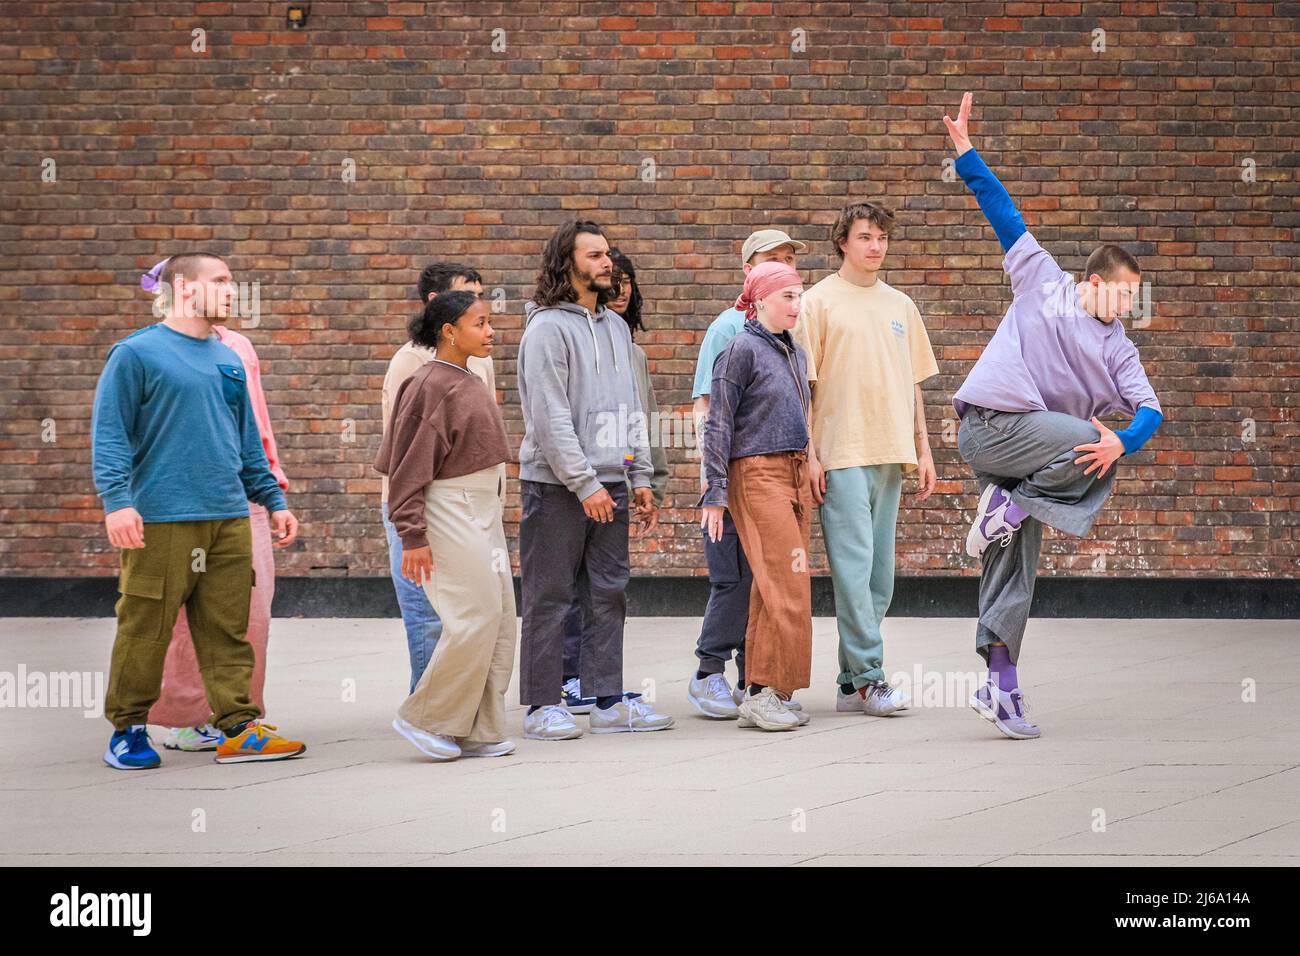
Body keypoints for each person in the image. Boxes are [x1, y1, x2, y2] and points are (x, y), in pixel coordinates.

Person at [943, 92, 1163, 739]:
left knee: (1017, 562)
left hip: (1034, 461)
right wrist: (965, 152)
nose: (1124, 308)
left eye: (1132, 300)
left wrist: (1126, 441)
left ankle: (1000, 685)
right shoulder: (1044, 280)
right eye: (1119, 295)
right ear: (1092, 282)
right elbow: (1001, 209)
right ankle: (1007, 508)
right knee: (1087, 437)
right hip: (989, 425)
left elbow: (1151, 409)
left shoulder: (1118, 346)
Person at [92, 253, 305, 769]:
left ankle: (237, 727)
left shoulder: (228, 360)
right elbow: (110, 434)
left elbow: (248, 443)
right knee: (146, 627)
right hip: (161, 516)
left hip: (228, 515)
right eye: (222, 282)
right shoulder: (136, 354)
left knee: (228, 628)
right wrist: (117, 503)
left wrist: (272, 500)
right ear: (184, 287)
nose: (233, 292)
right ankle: (128, 730)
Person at [516, 220, 674, 739]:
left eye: (608, 255)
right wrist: (584, 484)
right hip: (558, 485)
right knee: (551, 594)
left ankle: (607, 700)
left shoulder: (615, 328)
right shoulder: (545, 328)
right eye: (595, 256)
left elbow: (631, 410)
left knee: (609, 593)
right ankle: (543, 706)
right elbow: (550, 416)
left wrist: (641, 475)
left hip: (616, 480)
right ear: (567, 264)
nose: (608, 264)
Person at [794, 203, 940, 718]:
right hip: (841, 453)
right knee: (854, 572)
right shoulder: (816, 303)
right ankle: (873, 678)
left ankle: (848, 681)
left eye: (881, 237)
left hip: (892, 451)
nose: (875, 246)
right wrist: (810, 455)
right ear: (842, 243)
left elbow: (915, 383)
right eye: (864, 237)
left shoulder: (901, 305)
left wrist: (923, 449)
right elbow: (803, 388)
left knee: (880, 578)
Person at [375, 292, 517, 761]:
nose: (490, 330)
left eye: (489, 321)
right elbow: (407, 467)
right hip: (450, 508)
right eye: (480, 323)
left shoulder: (468, 374)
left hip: (481, 508)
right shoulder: (427, 383)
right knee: (472, 615)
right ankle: (426, 717)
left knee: (497, 619)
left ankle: (475, 726)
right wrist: (411, 534)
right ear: (448, 331)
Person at [686, 229, 813, 720]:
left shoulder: (794, 352)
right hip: (756, 474)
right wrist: (714, 492)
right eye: (787, 296)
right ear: (758, 299)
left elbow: (803, 415)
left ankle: (769, 689)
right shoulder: (739, 348)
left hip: (794, 473)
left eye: (799, 296)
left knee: (782, 583)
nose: (797, 305)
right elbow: (716, 421)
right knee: (777, 581)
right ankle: (760, 692)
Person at [558, 248, 670, 715]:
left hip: (621, 477)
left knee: (604, 588)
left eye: (627, 281)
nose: (620, 288)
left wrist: (650, 479)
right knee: (567, 584)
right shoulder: (563, 333)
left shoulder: (629, 346)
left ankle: (599, 683)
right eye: (613, 278)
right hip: (577, 481)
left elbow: (641, 417)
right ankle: (567, 678)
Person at [380, 263, 494, 693]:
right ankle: (425, 709)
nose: (484, 316)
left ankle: (455, 707)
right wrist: (413, 529)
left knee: (467, 613)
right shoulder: (412, 363)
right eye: (470, 300)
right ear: (440, 312)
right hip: (423, 505)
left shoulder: (478, 363)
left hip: (469, 509)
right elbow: (407, 451)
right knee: (427, 611)